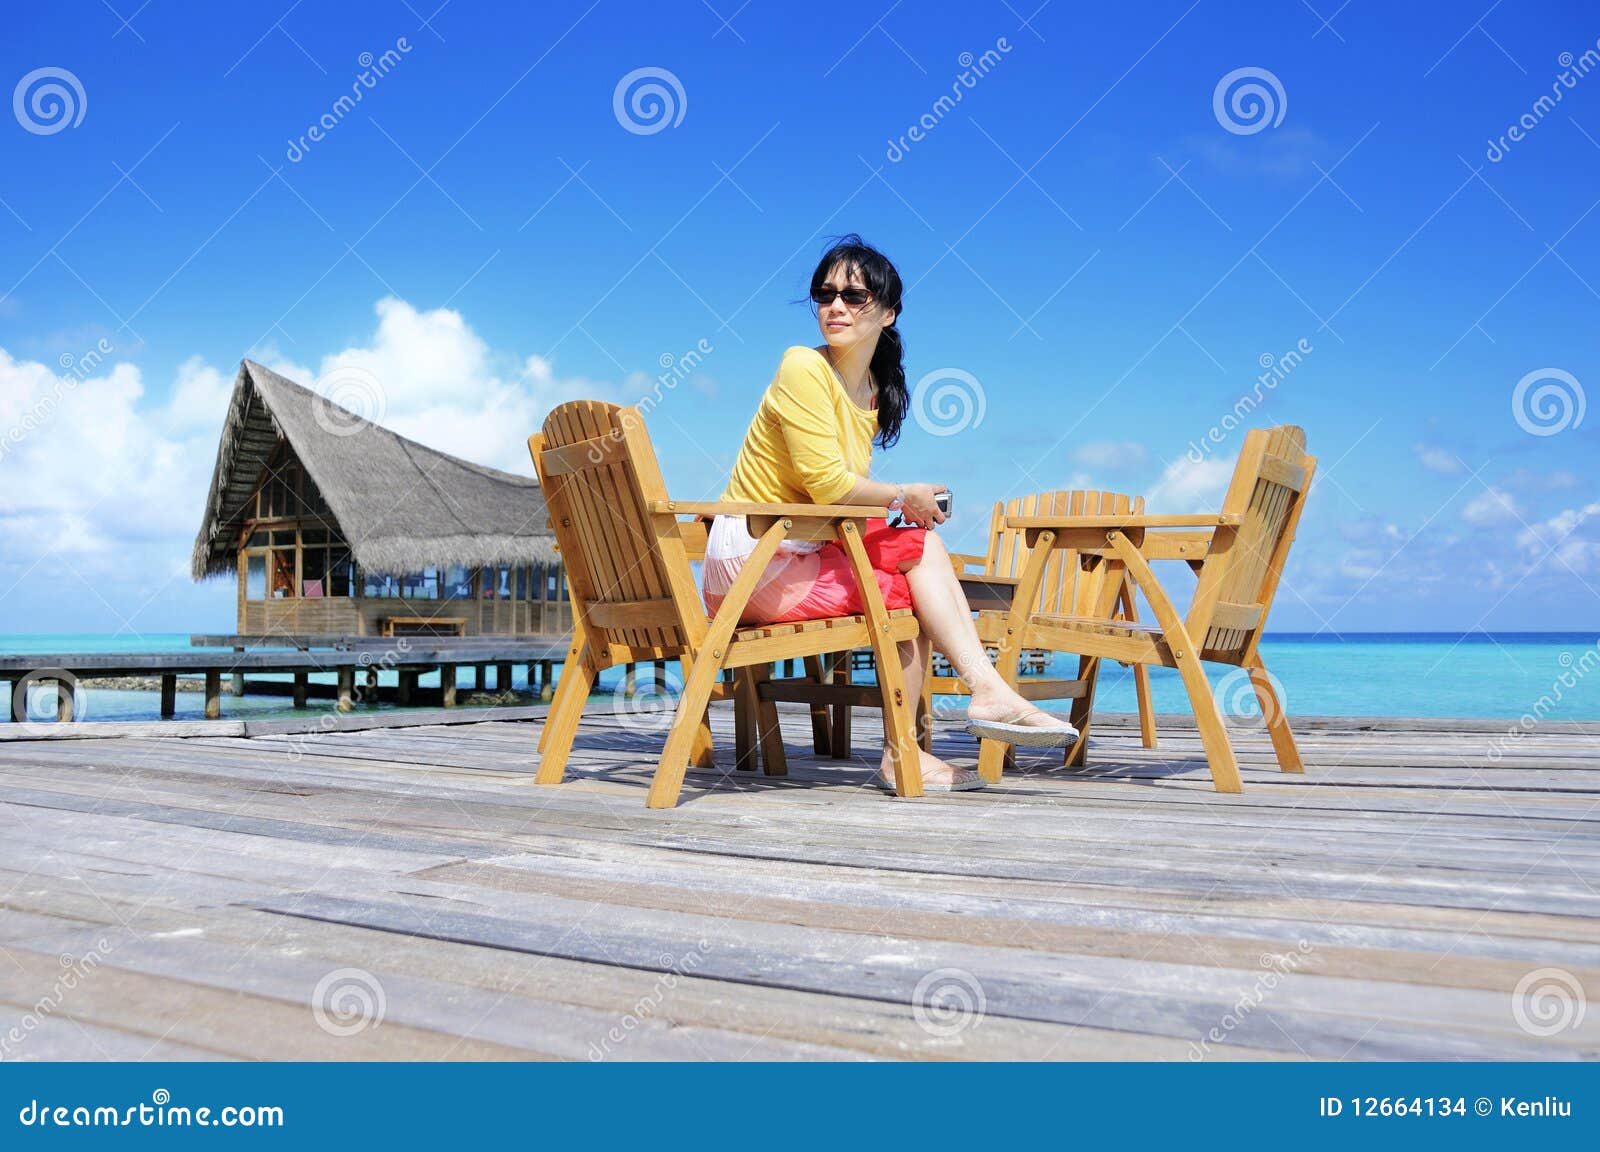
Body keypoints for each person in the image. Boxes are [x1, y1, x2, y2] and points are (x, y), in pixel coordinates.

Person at [702, 234, 1078, 792]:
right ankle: (937, 729)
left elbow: (839, 496)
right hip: (752, 567)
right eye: (825, 293)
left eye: (854, 296)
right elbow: (826, 484)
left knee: (916, 550)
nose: (835, 306)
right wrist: (905, 495)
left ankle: (956, 715)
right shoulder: (802, 366)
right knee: (910, 573)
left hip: (790, 554)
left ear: (887, 311)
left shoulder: (871, 394)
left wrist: (902, 509)